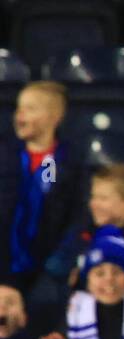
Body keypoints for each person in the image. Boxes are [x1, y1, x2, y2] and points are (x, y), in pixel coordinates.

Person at [0, 82, 87, 295]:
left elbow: (77, 214)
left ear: (54, 116)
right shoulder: (6, 155)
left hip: (47, 269)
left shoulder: (67, 161)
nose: (20, 115)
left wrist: (61, 259)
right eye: (19, 108)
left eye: (30, 109)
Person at [47, 163, 124, 294]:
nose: (93, 204)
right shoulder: (81, 234)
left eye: (103, 198)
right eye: (93, 197)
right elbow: (54, 267)